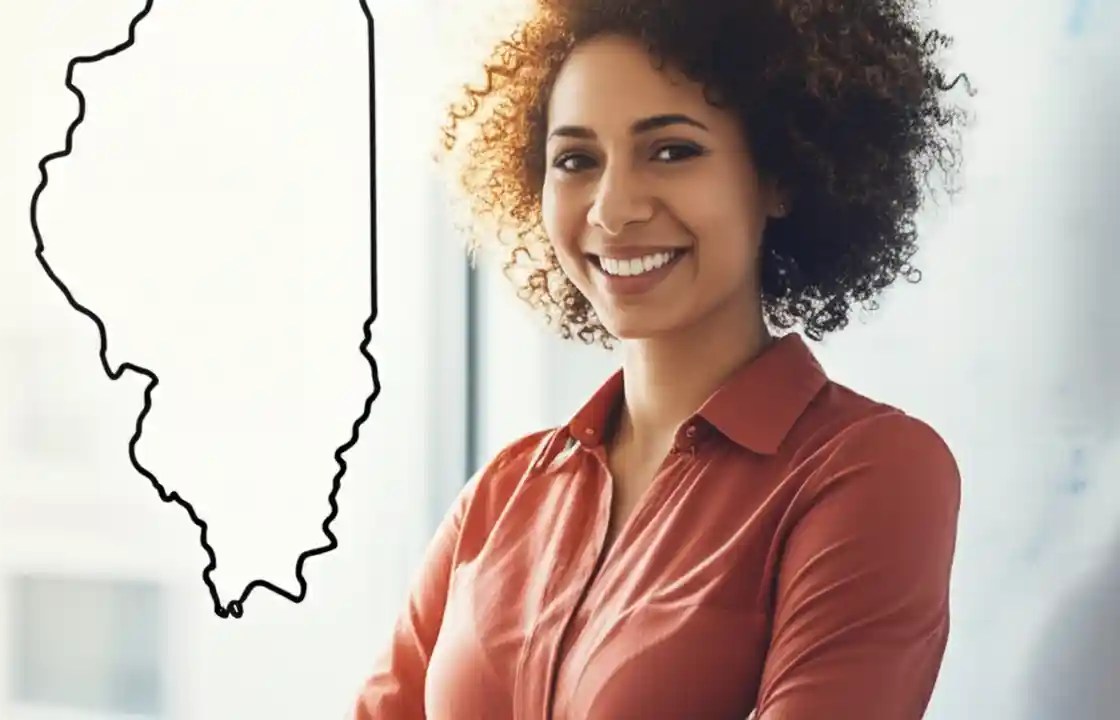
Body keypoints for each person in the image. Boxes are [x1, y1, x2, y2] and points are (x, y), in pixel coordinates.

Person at [354, 0, 972, 717]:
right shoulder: (500, 497)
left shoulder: (869, 472)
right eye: (577, 160)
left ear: (780, 176)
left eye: (672, 150)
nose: (613, 210)